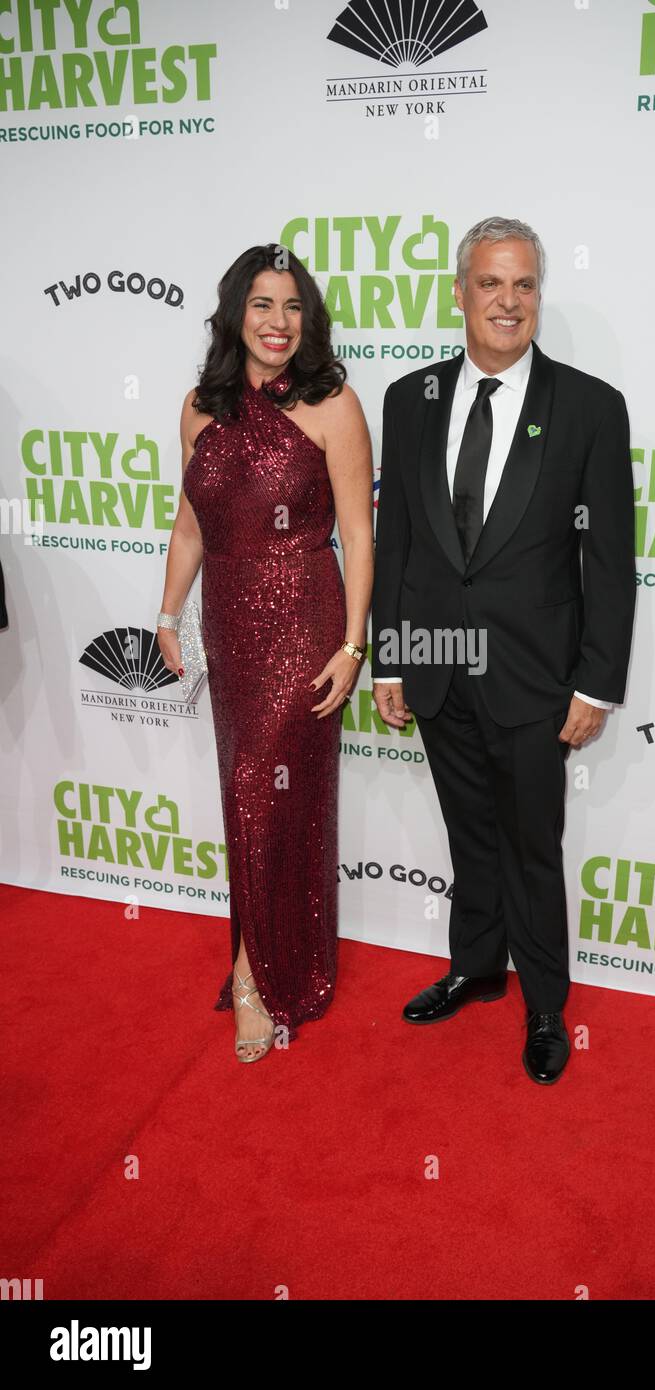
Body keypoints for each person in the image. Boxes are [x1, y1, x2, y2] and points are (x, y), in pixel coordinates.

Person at [371, 216, 636, 1084]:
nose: (508, 302)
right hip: (438, 665)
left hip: (535, 676)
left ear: (539, 296)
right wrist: (393, 657)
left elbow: (609, 559)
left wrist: (597, 683)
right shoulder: (409, 399)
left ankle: (547, 1006)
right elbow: (399, 538)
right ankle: (477, 968)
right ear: (459, 293)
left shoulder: (590, 406)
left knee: (532, 843)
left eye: (524, 285)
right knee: (469, 833)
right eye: (490, 284)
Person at [158, 243, 373, 1062]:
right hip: (230, 621)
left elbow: (358, 531)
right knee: (248, 789)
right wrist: (169, 614)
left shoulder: (331, 403)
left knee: (266, 788)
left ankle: (257, 975)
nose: (278, 323)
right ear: (233, 314)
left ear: (307, 318)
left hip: (307, 620)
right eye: (261, 305)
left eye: (292, 307)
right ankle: (285, 956)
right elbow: (190, 526)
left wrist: (353, 644)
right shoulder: (198, 407)